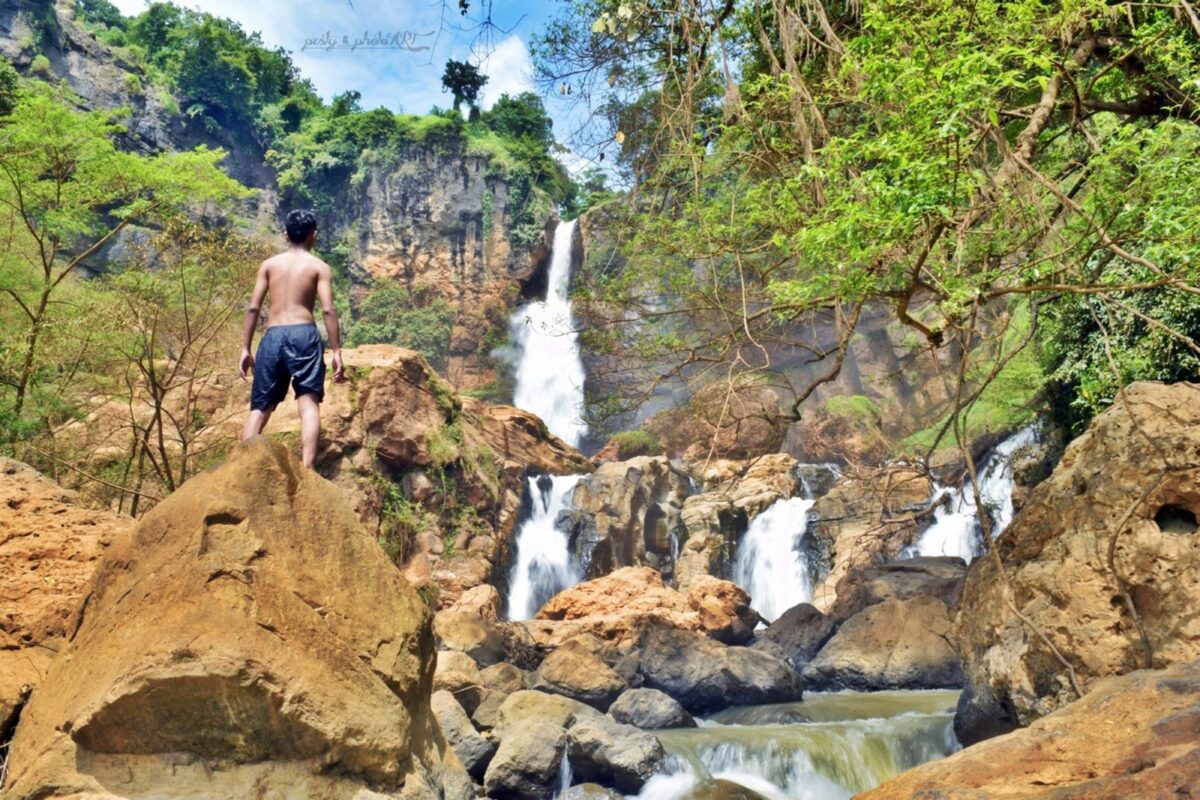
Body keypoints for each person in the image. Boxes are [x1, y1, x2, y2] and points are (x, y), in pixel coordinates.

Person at [240, 209, 345, 468]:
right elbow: (328, 309)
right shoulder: (320, 267)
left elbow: (253, 307)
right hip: (304, 335)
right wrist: (337, 351)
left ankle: (244, 466)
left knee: (260, 407)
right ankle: (307, 467)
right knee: (308, 403)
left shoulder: (269, 265)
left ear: (285, 235)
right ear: (314, 236)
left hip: (273, 335)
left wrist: (245, 347)